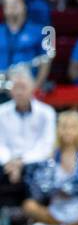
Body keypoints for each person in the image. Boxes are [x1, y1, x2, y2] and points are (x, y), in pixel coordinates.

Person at [0, 67, 56, 214]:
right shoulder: (1, 112)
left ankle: (38, 215)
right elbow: (1, 143)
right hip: (7, 162)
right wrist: (9, 161)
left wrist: (21, 161)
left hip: (34, 161)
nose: (19, 92)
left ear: (32, 88)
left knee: (43, 170)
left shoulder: (46, 113)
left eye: (22, 87)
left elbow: (46, 145)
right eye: (15, 88)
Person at [0, 0, 51, 91]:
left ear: (24, 6)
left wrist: (35, 88)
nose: (12, 7)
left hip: (26, 86)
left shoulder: (38, 31)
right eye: (8, 5)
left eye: (15, 4)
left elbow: (45, 62)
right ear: (4, 10)